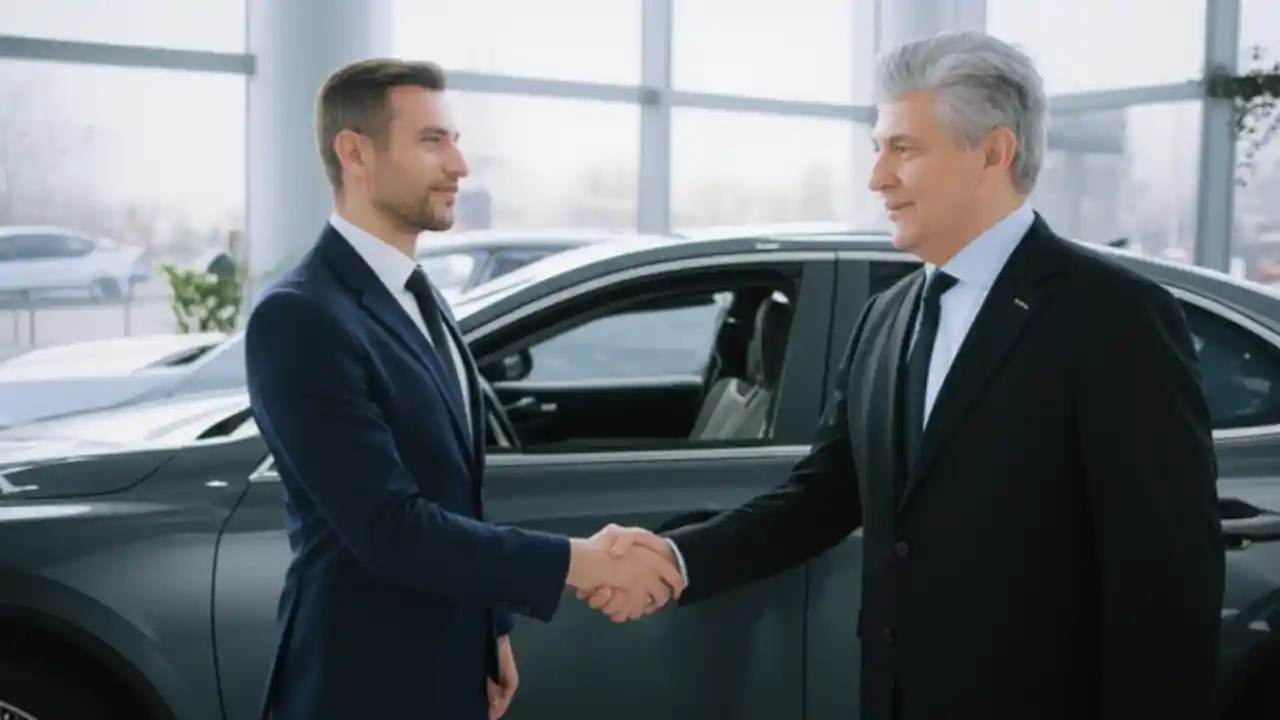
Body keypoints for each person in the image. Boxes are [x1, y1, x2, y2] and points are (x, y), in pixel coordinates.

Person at [584, 31, 1225, 720]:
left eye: (904, 149)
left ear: (993, 152)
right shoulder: (886, 318)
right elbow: (824, 495)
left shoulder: (1114, 317)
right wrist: (680, 561)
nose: (877, 178)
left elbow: (1167, 588)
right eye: (877, 149)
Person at [244, 58, 683, 720]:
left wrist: (490, 630)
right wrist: (580, 562)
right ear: (354, 152)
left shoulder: (421, 297)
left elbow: (455, 491)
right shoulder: (301, 316)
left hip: (444, 661)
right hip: (360, 682)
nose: (459, 165)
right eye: (432, 141)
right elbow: (390, 527)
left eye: (455, 140)